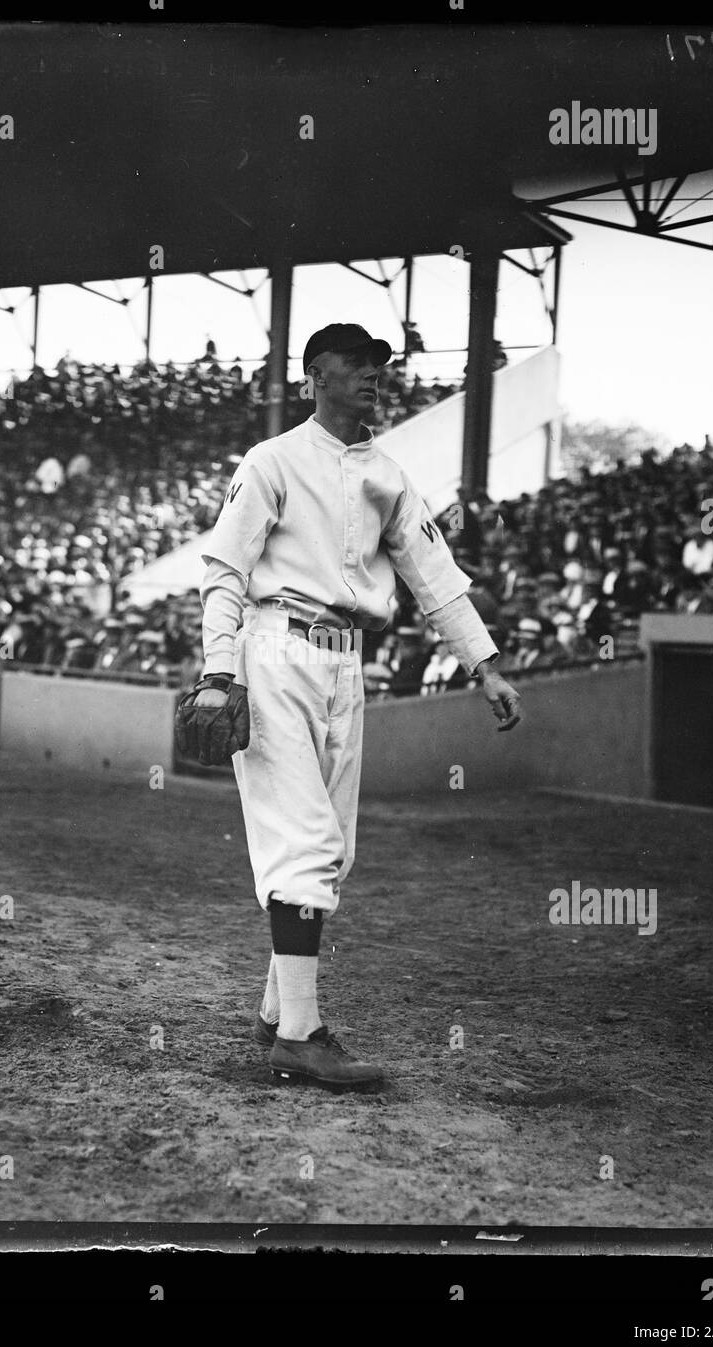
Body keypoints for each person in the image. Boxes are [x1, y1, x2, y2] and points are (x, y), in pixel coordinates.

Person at [191, 324, 521, 1090]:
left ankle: (279, 1014)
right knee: (303, 842)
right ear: (316, 376)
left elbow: (434, 574)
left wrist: (485, 664)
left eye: (380, 365)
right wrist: (217, 670)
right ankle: (301, 1037)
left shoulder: (388, 474)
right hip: (274, 651)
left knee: (332, 851)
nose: (374, 375)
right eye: (357, 364)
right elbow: (223, 569)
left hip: (345, 661)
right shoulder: (270, 461)